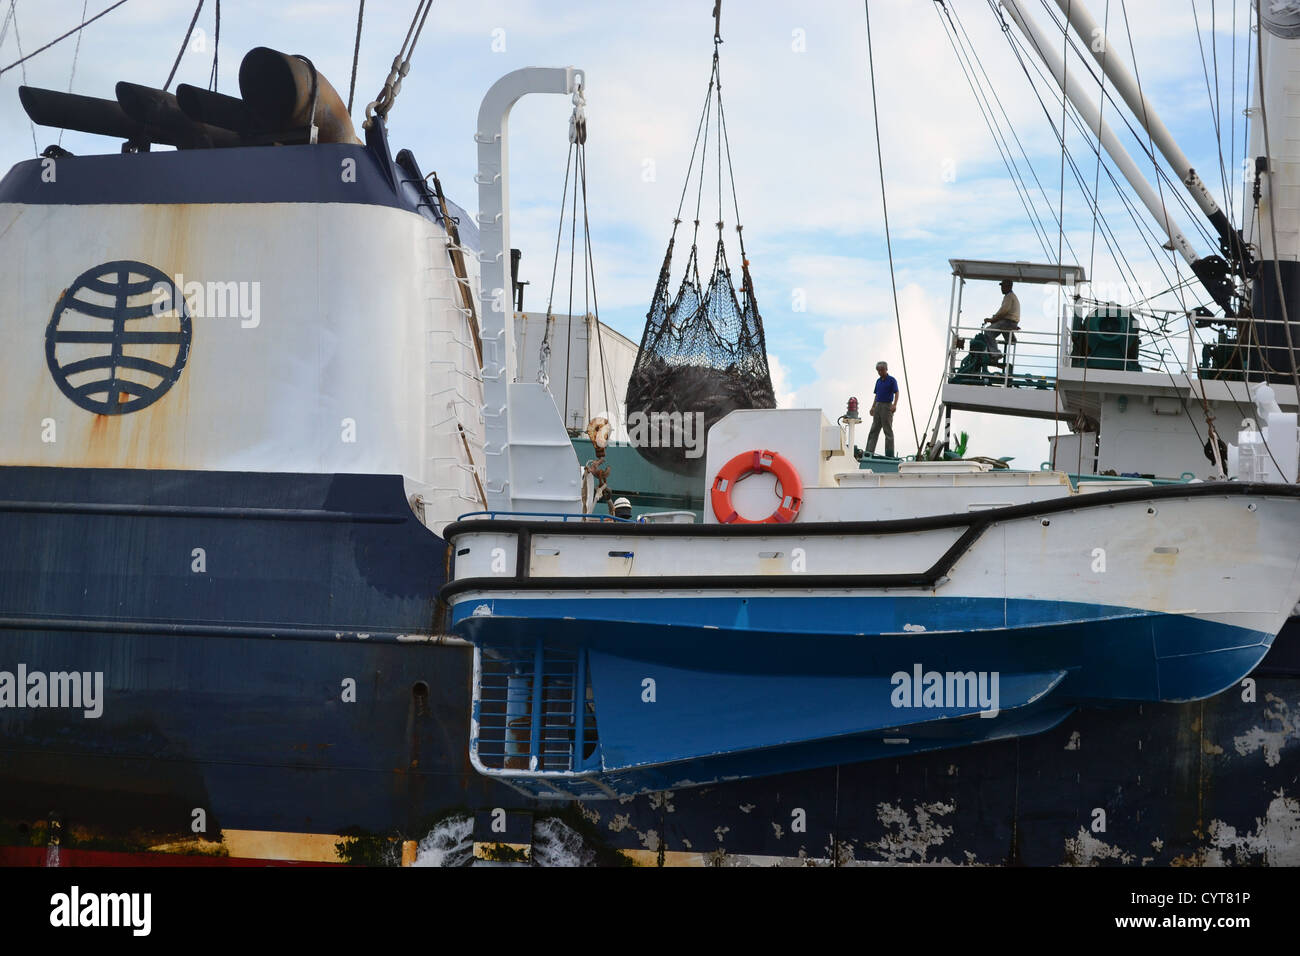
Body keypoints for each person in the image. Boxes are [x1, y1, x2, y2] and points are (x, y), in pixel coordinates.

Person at [866, 361, 899, 458]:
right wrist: (873, 406)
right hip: (878, 406)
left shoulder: (892, 380)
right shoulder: (878, 381)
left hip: (887, 406)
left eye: (882, 370)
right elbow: (877, 395)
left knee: (887, 431)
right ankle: (869, 452)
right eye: (878, 370)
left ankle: (889, 455)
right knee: (874, 430)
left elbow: (897, 392)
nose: (880, 372)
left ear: (886, 369)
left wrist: (894, 404)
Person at [983, 279, 1020, 360]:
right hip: (1011, 321)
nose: (1001, 288)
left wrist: (992, 319)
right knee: (991, 334)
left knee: (988, 331)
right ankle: (1011, 339)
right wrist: (994, 319)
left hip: (1008, 321)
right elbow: (1004, 312)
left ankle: (995, 354)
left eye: (1003, 286)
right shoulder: (1011, 296)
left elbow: (1003, 311)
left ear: (1008, 287)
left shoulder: (1009, 296)